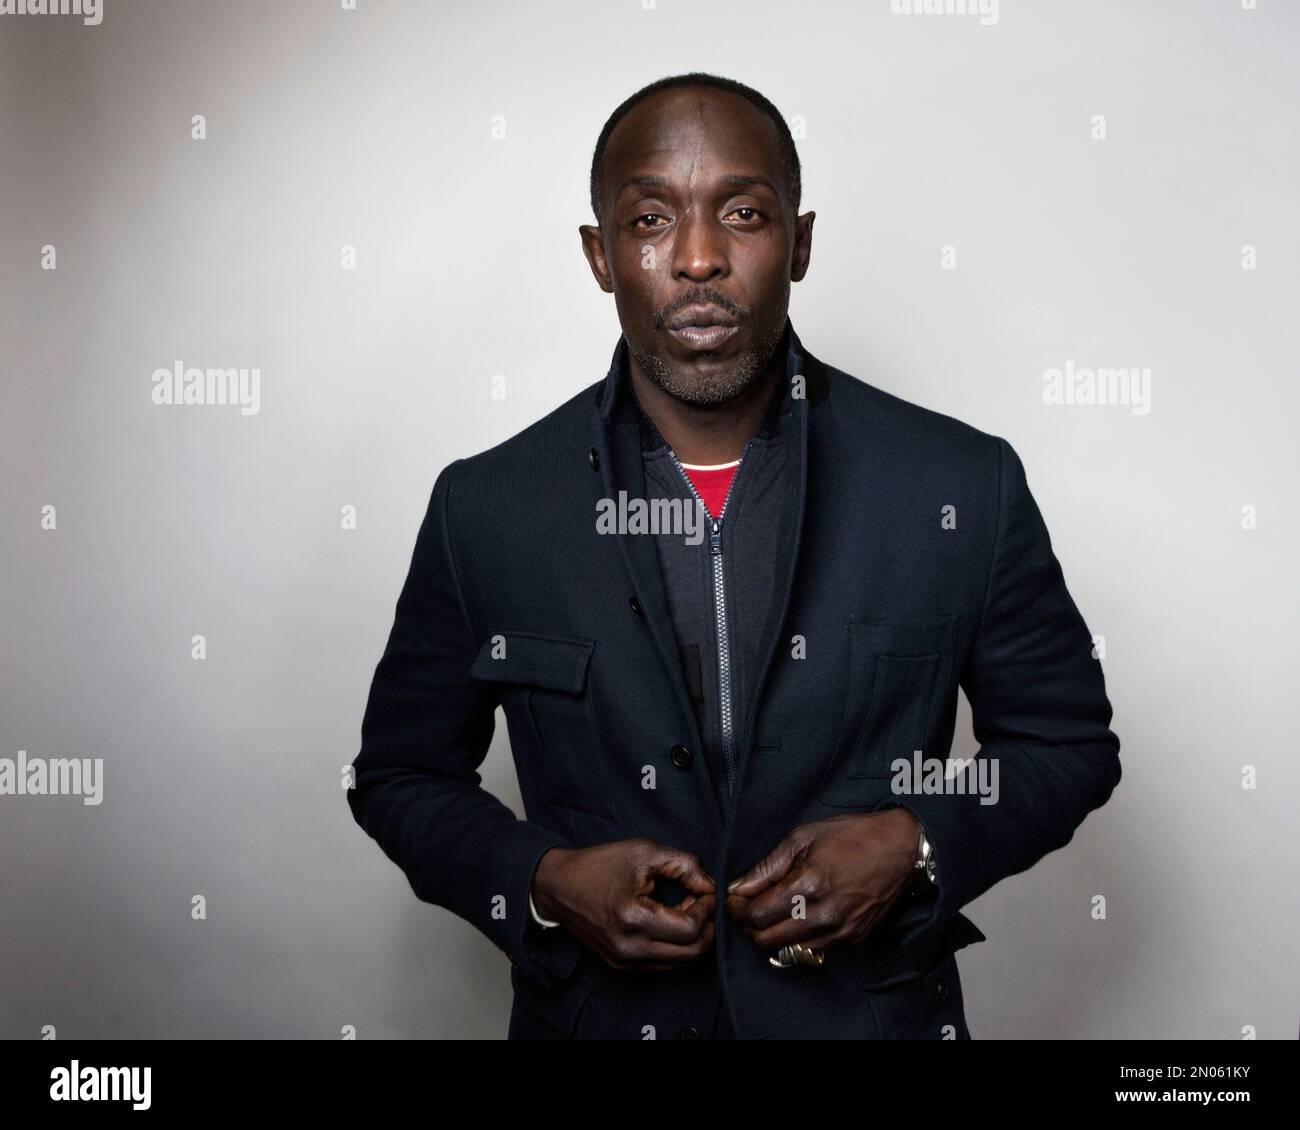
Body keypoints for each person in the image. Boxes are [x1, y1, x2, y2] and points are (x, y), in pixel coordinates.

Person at [346, 72, 1121, 1040]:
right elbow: (401, 776)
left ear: (799, 243)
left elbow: (1063, 747)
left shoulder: (958, 483)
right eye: (651, 219)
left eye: (744, 213)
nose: (701, 257)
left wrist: (915, 843)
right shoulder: (489, 505)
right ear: (599, 254)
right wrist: (544, 881)